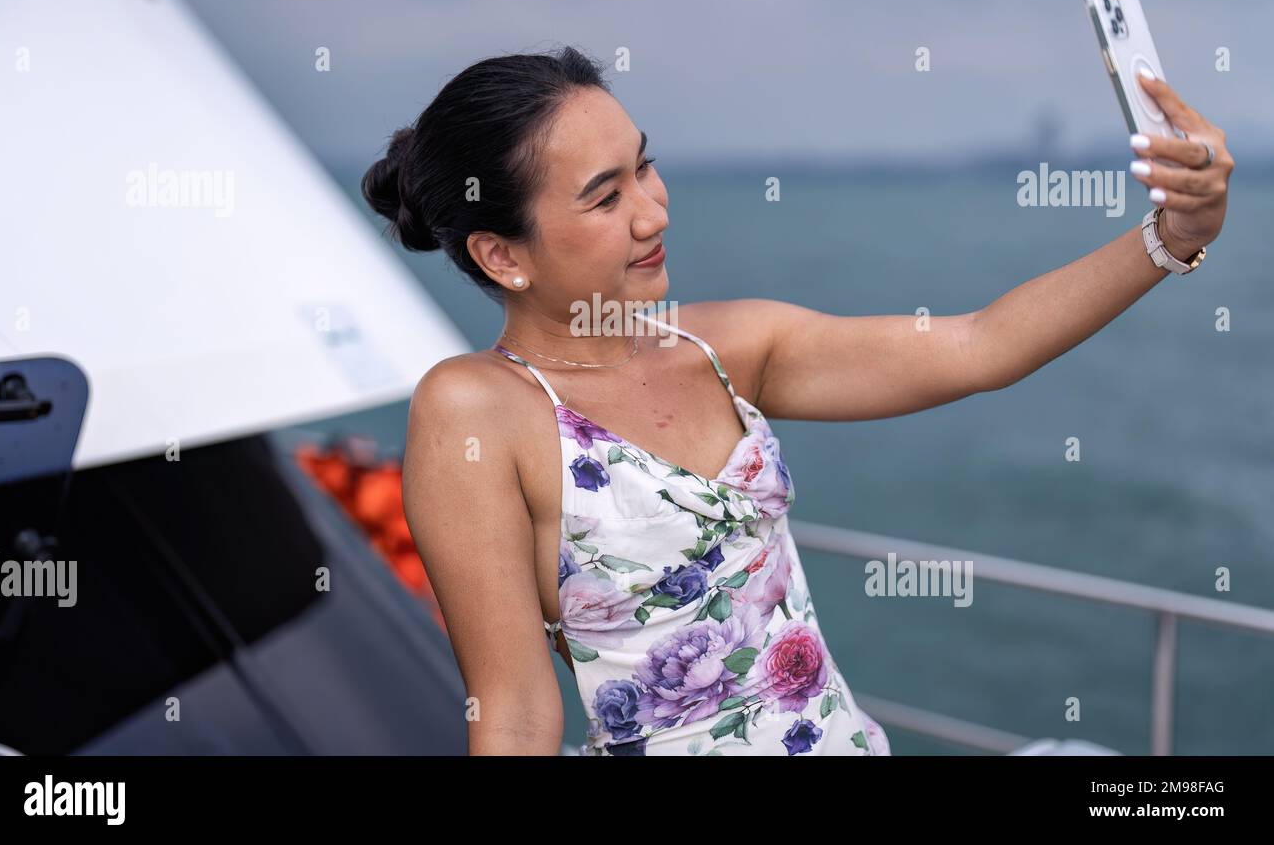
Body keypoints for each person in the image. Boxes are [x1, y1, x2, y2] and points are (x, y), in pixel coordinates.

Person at [362, 46, 1232, 756]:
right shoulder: (475, 408)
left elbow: (981, 347)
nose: (652, 211)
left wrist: (1172, 237)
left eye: (645, 167)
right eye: (606, 195)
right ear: (502, 254)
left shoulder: (726, 347)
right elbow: (513, 713)